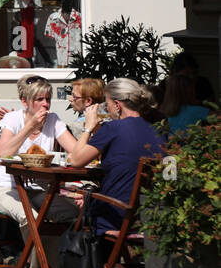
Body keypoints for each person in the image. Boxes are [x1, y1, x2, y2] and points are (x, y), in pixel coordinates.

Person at [0, 76, 81, 268]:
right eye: (39, 99)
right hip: (4, 187)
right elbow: (3, 154)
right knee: (32, 217)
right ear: (24, 101)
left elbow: (75, 152)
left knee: (75, 212)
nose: (45, 104)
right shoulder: (13, 120)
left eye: (47, 98)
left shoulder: (53, 120)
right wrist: (29, 127)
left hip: (38, 188)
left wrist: (90, 128)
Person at [68, 78, 165, 236]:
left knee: (77, 216)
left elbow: (76, 160)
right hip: (149, 218)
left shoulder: (112, 128)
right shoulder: (159, 131)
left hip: (116, 216)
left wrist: (89, 127)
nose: (107, 109)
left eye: (107, 105)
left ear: (117, 105)